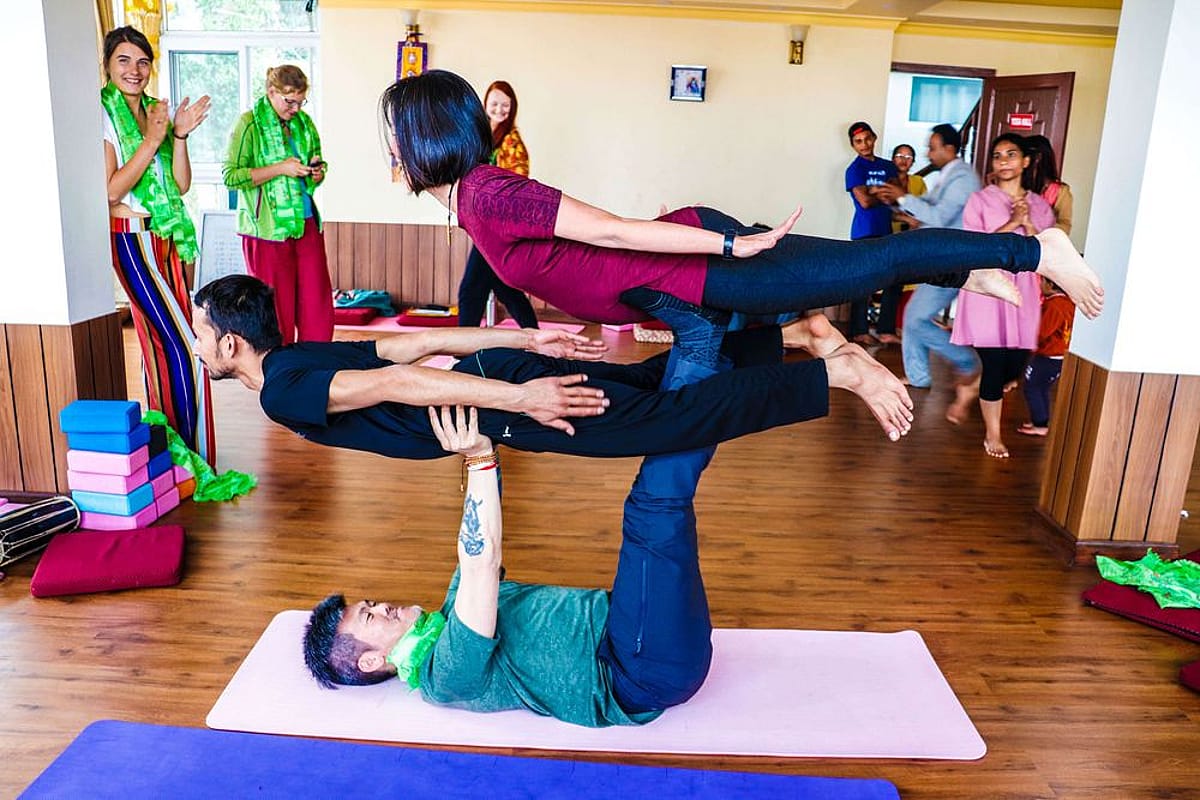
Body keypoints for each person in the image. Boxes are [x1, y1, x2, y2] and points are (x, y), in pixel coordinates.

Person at [381, 71, 1102, 377]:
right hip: (680, 282)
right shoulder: (470, 200)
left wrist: (733, 243)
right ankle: (971, 269)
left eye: (394, 131)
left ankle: (1032, 249)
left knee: (869, 265)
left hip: (695, 265)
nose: (388, 143)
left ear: (426, 133)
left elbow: (616, 231)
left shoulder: (491, 191)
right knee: (855, 270)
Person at [302, 318, 815, 724]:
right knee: (654, 507)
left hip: (635, 625)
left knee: (657, 454)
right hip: (637, 670)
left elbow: (476, 543)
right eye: (369, 618)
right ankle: (747, 358)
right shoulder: (445, 677)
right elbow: (481, 565)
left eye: (369, 603)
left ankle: (731, 346)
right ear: (372, 662)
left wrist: (482, 444)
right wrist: (479, 459)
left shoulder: (453, 616)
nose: (382, 605)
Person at [191, 274, 917, 472]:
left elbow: (398, 382)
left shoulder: (282, 392)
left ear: (230, 344)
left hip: (495, 403)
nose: (196, 345)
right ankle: (795, 334)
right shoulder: (297, 354)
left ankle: (838, 375)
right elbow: (407, 347)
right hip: (491, 372)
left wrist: (523, 394)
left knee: (665, 422)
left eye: (199, 333)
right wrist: (523, 339)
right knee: (654, 383)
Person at [101, 26, 217, 465]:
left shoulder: (156, 112)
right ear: (108, 66)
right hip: (131, 240)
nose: (135, 70)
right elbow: (111, 192)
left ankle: (177, 456)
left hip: (167, 237)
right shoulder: (102, 112)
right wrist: (153, 140)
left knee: (163, 346)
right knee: (183, 344)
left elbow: (180, 186)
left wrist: (178, 136)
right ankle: (184, 454)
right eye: (124, 61)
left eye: (142, 61)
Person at [950, 133, 1056, 458]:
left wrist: (1029, 223)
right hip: (987, 290)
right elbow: (976, 248)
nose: (1004, 161)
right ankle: (992, 435)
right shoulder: (979, 201)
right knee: (996, 368)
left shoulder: (1040, 205)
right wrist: (1013, 222)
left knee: (1014, 368)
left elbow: (1049, 249)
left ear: (1026, 161)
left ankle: (970, 388)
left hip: (1023, 290)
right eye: (997, 156)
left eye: (1011, 154)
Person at [873, 124, 986, 423]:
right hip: (943, 257)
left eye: (932, 147)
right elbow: (932, 216)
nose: (928, 153)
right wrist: (900, 207)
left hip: (954, 261)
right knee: (913, 316)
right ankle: (919, 376)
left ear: (950, 149)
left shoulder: (963, 179)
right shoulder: (949, 176)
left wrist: (904, 196)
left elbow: (937, 217)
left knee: (914, 317)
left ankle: (967, 361)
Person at [224, 65, 333, 345]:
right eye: (289, 101)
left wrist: (316, 173)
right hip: (266, 231)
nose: (296, 108)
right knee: (275, 308)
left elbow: (314, 163)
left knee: (315, 302)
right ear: (271, 92)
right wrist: (280, 168)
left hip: (306, 222)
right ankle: (280, 371)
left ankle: (315, 364)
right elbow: (231, 176)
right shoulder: (248, 124)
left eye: (300, 101)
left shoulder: (303, 124)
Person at [457, 81, 540, 330]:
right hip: (480, 221)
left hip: (499, 225)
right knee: (504, 286)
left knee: (470, 290)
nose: (499, 109)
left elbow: (518, 186)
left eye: (505, 105)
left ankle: (463, 349)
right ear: (485, 105)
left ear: (512, 108)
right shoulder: (479, 137)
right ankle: (535, 336)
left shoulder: (513, 143)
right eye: (494, 104)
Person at [843, 122, 900, 346]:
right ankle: (859, 331)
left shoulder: (888, 166)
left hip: (887, 231)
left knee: (895, 279)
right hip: (864, 233)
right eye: (858, 141)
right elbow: (865, 202)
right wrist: (883, 193)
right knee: (863, 283)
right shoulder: (854, 169)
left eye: (867, 139)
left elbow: (898, 195)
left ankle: (885, 330)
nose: (864, 144)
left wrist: (879, 192)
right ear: (853, 145)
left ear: (874, 138)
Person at [1019, 277, 1074, 437]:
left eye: (1042, 282)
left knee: (1032, 387)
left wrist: (1027, 340)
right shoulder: (1069, 303)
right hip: (1059, 355)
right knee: (1042, 388)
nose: (1039, 285)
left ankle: (1040, 425)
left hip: (1048, 355)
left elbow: (1042, 332)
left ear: (1051, 285)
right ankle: (1040, 421)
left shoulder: (1054, 305)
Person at [1024, 134, 1074, 235]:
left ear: (1038, 157)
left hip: (1043, 243)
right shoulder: (1015, 183)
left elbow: (1065, 225)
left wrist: (1038, 223)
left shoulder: (1060, 190)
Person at [890, 143, 926, 233]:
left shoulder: (918, 181)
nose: (904, 160)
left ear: (913, 162)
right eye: (900, 156)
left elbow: (925, 207)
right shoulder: (885, 180)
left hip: (912, 233)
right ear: (893, 159)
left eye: (908, 157)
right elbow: (881, 210)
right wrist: (907, 219)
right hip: (887, 232)